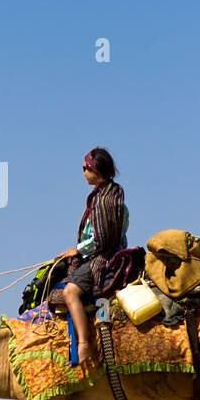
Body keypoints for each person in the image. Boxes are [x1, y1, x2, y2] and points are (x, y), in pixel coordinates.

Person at [58, 147, 129, 367]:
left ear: (94, 170)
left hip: (102, 258)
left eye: (85, 169)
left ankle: (84, 344)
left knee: (70, 292)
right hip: (112, 253)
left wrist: (78, 250)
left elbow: (100, 239)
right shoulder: (113, 195)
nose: (83, 173)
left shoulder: (102, 201)